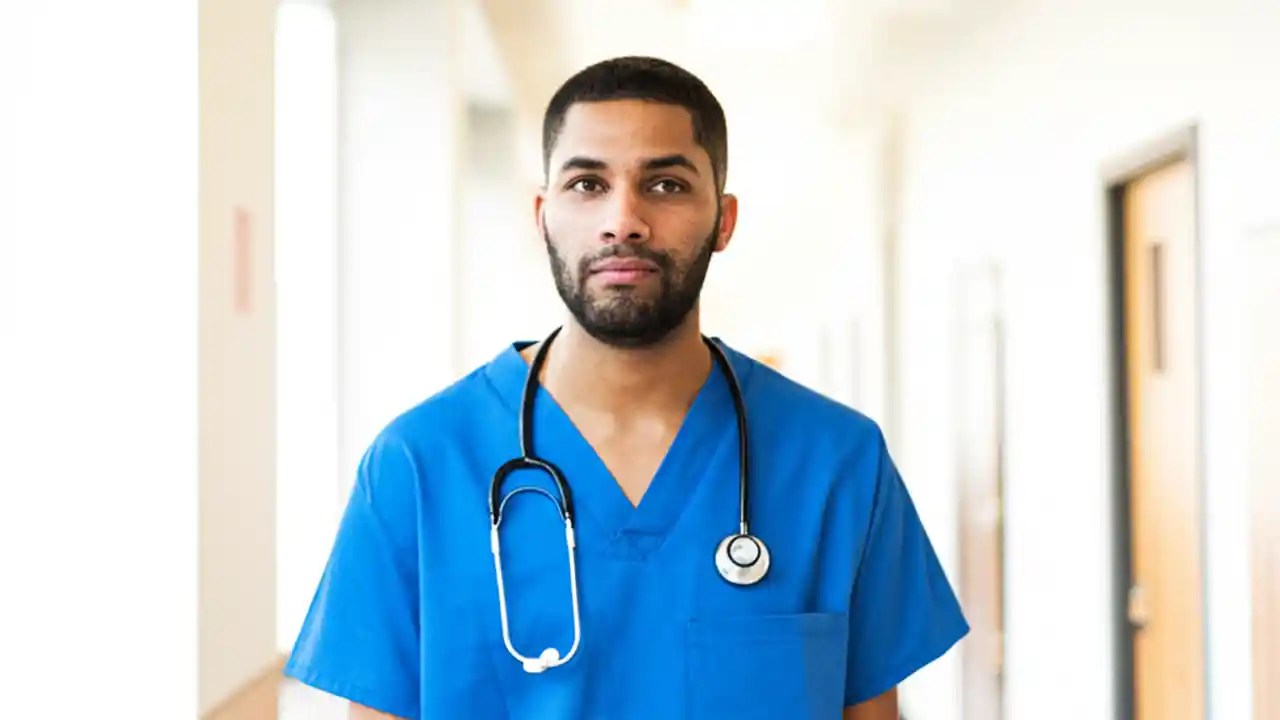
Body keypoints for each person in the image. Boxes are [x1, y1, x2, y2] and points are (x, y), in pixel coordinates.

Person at [283, 55, 969, 720]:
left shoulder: (834, 461)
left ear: (723, 220)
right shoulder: (420, 463)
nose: (624, 219)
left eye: (666, 184)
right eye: (587, 184)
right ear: (542, 214)